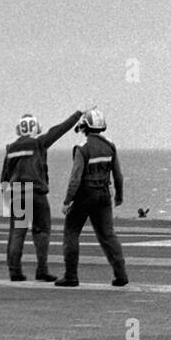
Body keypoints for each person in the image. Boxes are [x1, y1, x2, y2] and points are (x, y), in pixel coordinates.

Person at [0, 107, 85, 281]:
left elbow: (4, 177)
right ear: (35, 128)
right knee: (42, 232)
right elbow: (59, 129)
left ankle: (15, 271)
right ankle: (42, 270)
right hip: (36, 194)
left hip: (17, 194)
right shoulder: (39, 143)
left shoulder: (11, 148)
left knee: (17, 232)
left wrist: (7, 198)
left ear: (19, 129)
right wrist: (78, 114)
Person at [56, 109, 130, 287]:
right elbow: (118, 174)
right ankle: (121, 275)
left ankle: (71, 276)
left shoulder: (82, 148)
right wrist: (119, 195)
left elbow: (75, 178)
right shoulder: (110, 145)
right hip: (104, 196)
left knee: (71, 233)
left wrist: (67, 201)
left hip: (84, 196)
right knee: (108, 236)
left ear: (85, 126)